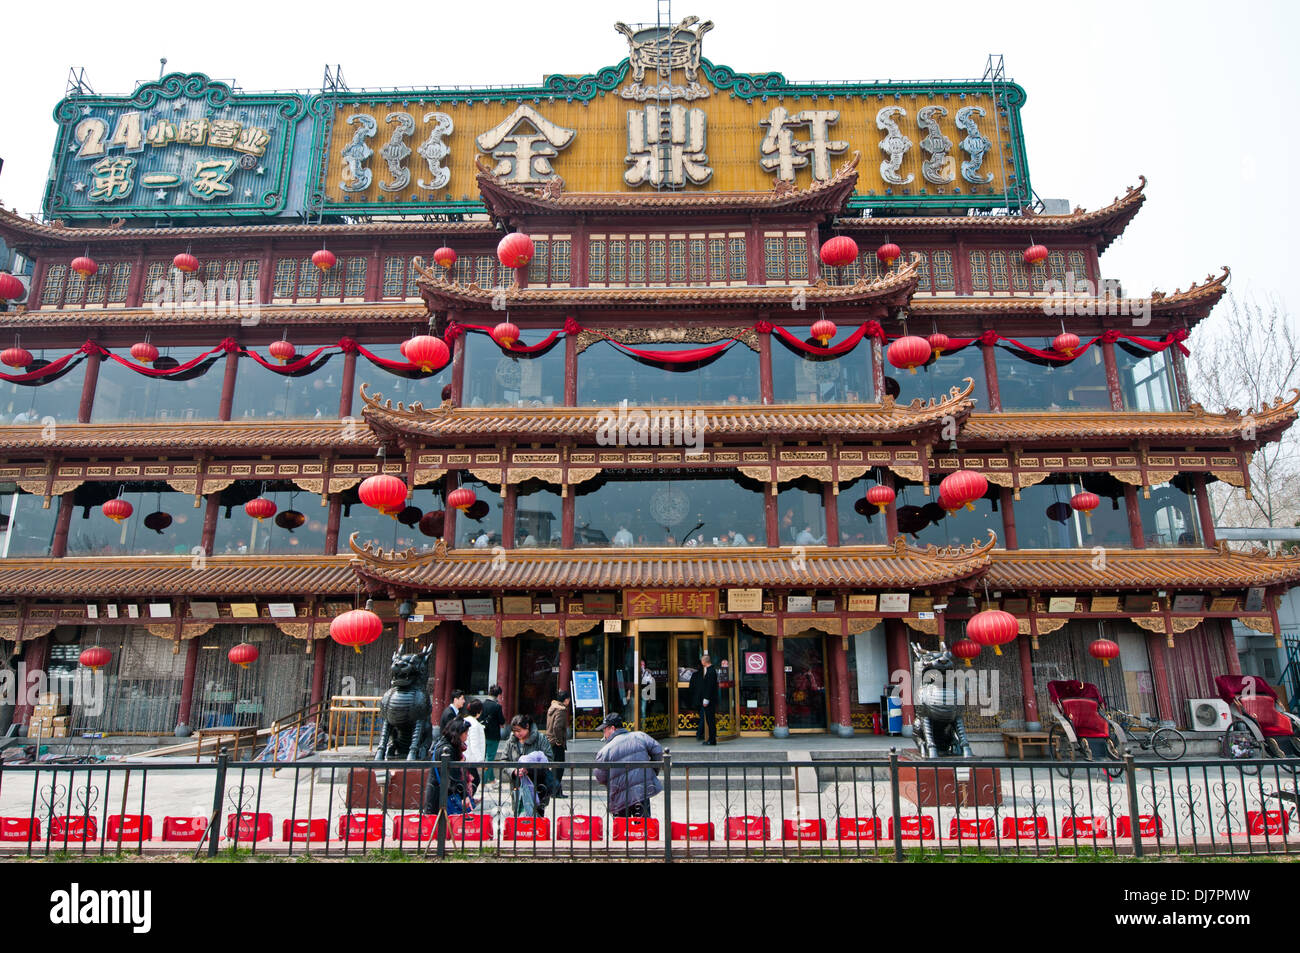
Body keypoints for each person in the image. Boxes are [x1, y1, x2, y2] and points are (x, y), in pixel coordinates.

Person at [593, 713, 664, 819]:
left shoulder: (606, 750)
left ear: (612, 728)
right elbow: (658, 751)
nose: (604, 734)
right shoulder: (640, 736)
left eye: (605, 730)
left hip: (619, 796)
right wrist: (653, 771)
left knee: (621, 830)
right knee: (642, 829)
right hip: (641, 793)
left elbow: (600, 776)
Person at [502, 713, 555, 814]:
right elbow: (504, 760)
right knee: (519, 814)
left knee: (537, 816)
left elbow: (549, 758)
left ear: (527, 727)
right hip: (518, 784)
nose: (517, 734)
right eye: (514, 731)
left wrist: (530, 767)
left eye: (519, 730)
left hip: (538, 783)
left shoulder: (540, 739)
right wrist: (513, 771)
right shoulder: (511, 741)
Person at [424, 717, 473, 815]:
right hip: (439, 796)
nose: (467, 736)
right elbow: (454, 776)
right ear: (458, 734)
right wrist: (464, 796)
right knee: (439, 825)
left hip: (439, 793)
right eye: (465, 733)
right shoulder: (447, 749)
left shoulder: (444, 743)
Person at [545, 690, 571, 798]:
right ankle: (555, 791)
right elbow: (557, 727)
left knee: (555, 766)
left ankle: (554, 790)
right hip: (556, 742)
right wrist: (559, 741)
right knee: (559, 767)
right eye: (568, 699)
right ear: (565, 700)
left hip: (550, 740)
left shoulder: (553, 708)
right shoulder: (561, 710)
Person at [481, 685, 505, 783]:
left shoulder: (482, 704)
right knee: (490, 758)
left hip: (483, 734)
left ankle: (491, 779)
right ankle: (484, 781)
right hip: (493, 736)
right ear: (498, 695)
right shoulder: (497, 706)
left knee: (486, 757)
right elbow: (502, 720)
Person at [695, 652, 720, 745]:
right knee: (709, 720)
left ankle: (712, 740)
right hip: (709, 700)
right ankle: (711, 739)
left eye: (702, 660)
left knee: (710, 720)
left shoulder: (710, 671)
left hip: (710, 700)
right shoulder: (710, 670)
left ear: (705, 661)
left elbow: (709, 687)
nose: (701, 662)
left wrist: (706, 699)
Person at [463, 698, 486, 790]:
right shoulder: (475, 725)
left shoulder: (465, 720)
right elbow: (475, 744)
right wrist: (480, 761)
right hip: (470, 758)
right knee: (475, 780)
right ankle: (468, 799)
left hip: (466, 756)